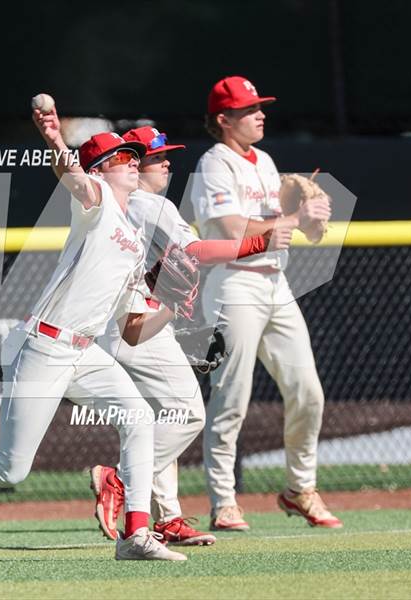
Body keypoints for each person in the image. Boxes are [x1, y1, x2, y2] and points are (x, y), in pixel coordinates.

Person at [0, 101, 192, 561]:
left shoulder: (136, 245)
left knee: (139, 419)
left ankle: (136, 536)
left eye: (134, 157)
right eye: (122, 156)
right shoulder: (97, 202)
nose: (133, 161)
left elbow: (133, 330)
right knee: (10, 470)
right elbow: (71, 175)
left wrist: (172, 307)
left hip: (85, 352)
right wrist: (55, 138)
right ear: (100, 170)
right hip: (44, 344)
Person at [90, 125, 292, 545]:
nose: (166, 163)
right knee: (187, 414)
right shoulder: (151, 205)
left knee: (161, 417)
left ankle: (167, 517)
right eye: (156, 157)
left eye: (167, 156)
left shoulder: (112, 204)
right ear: (134, 164)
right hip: (137, 322)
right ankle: (120, 480)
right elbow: (193, 252)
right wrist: (259, 244)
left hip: (115, 318)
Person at [190, 76, 342, 531]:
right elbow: (233, 230)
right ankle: (223, 501)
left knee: (308, 392)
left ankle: (300, 489)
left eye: (260, 107)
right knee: (231, 396)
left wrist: (310, 221)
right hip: (233, 285)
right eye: (249, 109)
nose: (260, 115)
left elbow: (288, 231)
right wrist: (294, 217)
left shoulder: (266, 161)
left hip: (276, 284)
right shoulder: (214, 164)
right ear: (224, 119)